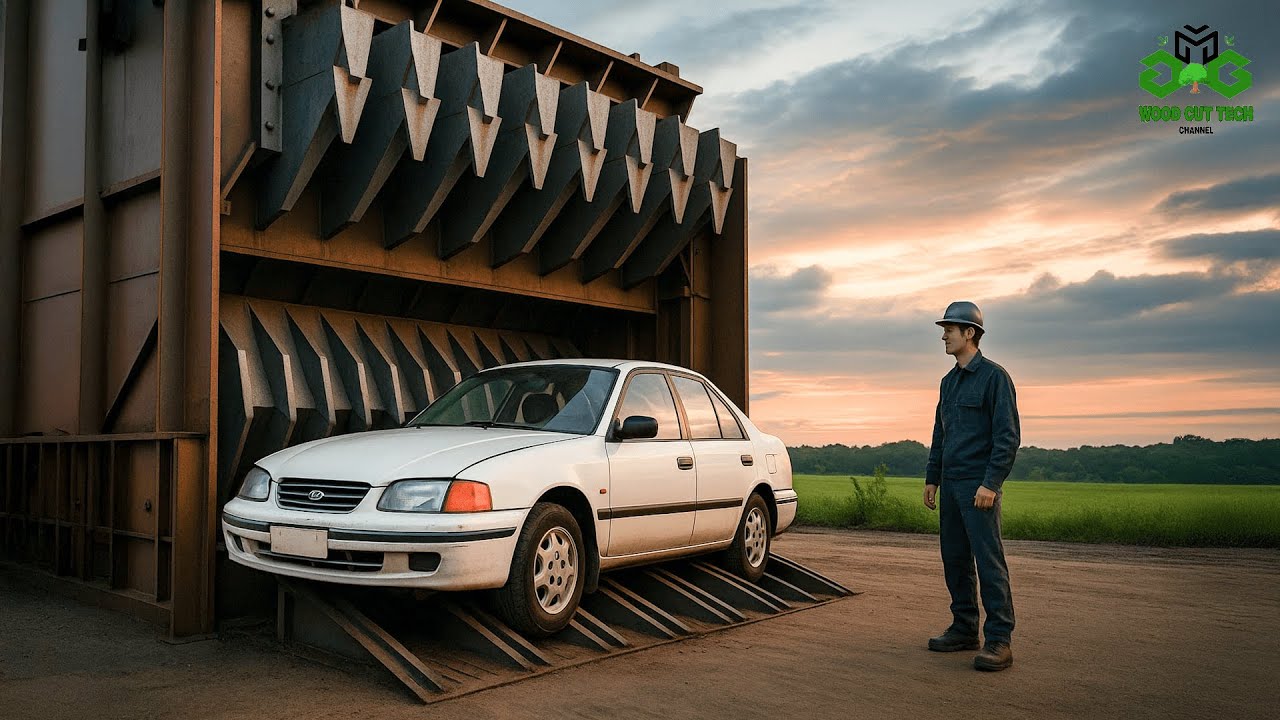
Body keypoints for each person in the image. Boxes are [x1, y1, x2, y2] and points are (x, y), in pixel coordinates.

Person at [923, 301, 1020, 672]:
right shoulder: (948, 382)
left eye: (950, 329)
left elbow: (1007, 437)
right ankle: (964, 628)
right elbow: (940, 434)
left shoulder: (995, 378)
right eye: (944, 328)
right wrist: (933, 477)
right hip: (950, 485)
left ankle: (999, 640)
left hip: (979, 489)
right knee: (955, 561)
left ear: (970, 334)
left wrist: (991, 483)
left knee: (989, 562)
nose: (943, 335)